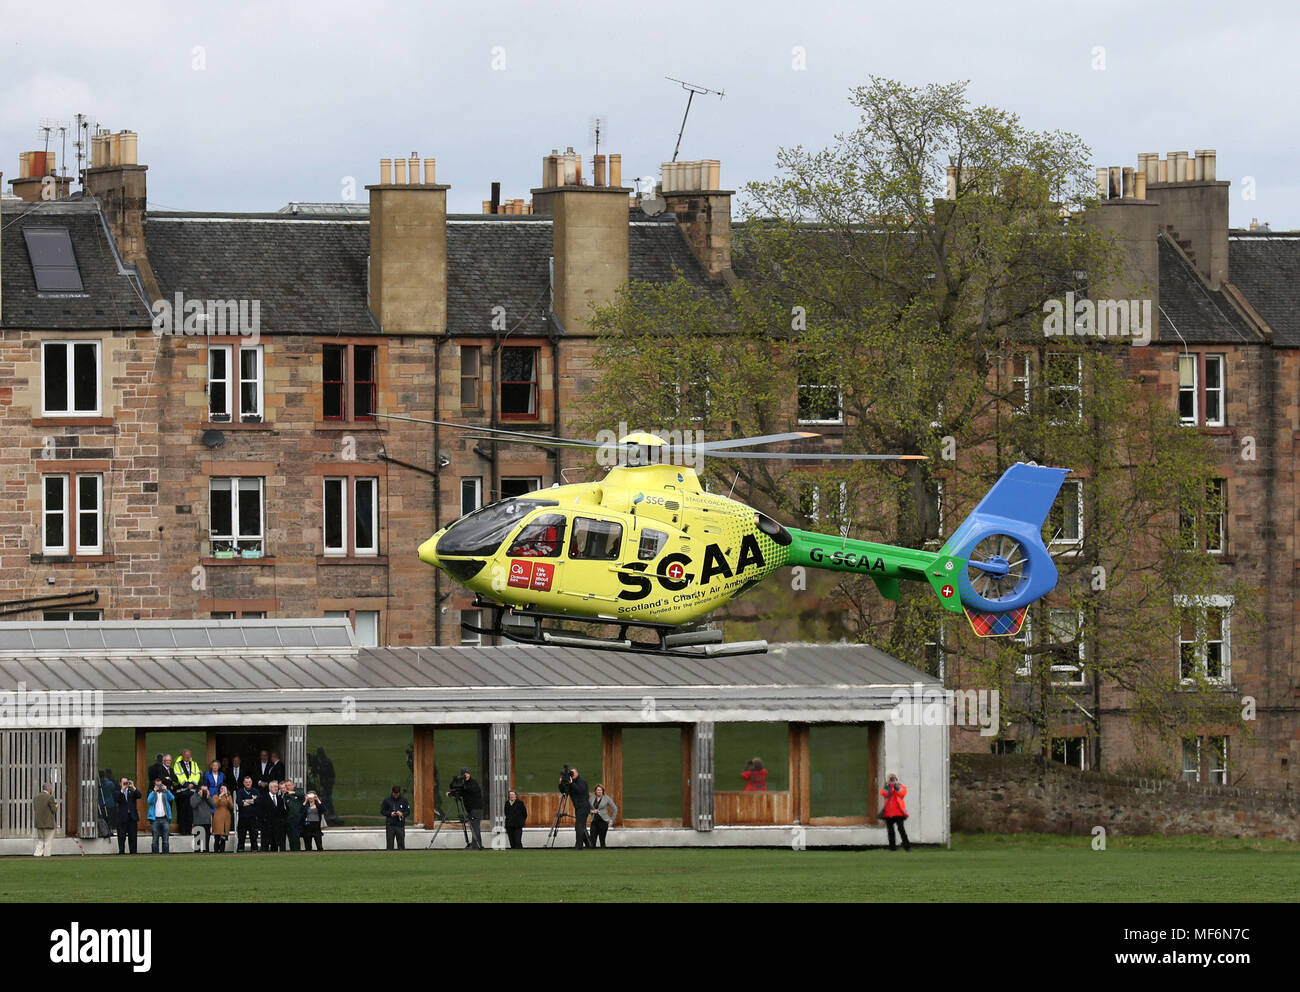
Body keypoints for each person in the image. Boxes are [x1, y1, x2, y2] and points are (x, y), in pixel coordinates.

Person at [449, 767, 484, 849]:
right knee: (473, 827)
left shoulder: (473, 783)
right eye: (464, 774)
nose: (466, 775)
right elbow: (459, 791)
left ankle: (476, 845)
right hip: (471, 809)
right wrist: (452, 792)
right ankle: (475, 844)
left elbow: (467, 789)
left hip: (476, 808)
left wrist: (461, 783)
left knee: (475, 827)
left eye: (467, 774)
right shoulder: (464, 783)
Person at [880, 772, 911, 852]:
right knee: (890, 831)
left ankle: (907, 847)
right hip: (888, 813)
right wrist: (887, 786)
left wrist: (896, 786)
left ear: (896, 779)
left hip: (899, 813)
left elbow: (902, 794)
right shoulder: (886, 788)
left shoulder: (901, 787)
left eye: (893, 778)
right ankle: (892, 848)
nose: (892, 780)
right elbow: (883, 793)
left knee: (901, 829)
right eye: (890, 779)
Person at [173, 749, 201, 837]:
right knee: (182, 812)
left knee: (190, 812)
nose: (188, 757)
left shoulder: (194, 764)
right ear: (183, 755)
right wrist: (186, 784)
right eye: (186, 755)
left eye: (189, 755)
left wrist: (193, 783)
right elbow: (178, 775)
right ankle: (182, 830)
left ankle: (189, 830)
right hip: (182, 792)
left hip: (191, 792)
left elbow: (197, 774)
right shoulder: (177, 764)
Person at [258, 780, 288, 852]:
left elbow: (283, 812)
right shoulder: (263, 798)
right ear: (270, 788)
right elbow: (260, 812)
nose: (276, 788)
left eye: (277, 787)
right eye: (274, 787)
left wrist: (282, 822)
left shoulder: (280, 799)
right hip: (266, 827)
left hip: (277, 828)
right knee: (265, 847)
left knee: (274, 847)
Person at [115, 777, 142, 854]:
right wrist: (122, 790)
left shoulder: (132, 791)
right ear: (120, 784)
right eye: (124, 783)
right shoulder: (117, 792)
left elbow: (139, 795)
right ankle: (121, 852)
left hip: (132, 817)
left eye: (127, 783)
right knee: (121, 836)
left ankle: (133, 852)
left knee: (133, 837)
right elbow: (117, 799)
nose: (125, 784)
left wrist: (133, 787)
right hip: (122, 818)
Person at [565, 767, 590, 849]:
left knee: (579, 826)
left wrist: (571, 783)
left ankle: (579, 846)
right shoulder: (571, 783)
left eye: (573, 773)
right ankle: (588, 843)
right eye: (571, 773)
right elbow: (564, 792)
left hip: (583, 807)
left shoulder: (582, 782)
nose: (572, 775)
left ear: (577, 773)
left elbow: (580, 790)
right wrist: (561, 782)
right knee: (580, 826)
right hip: (578, 807)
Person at [146, 779, 174, 854]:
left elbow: (172, 798)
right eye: (157, 785)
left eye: (160, 785)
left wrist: (167, 790)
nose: (159, 787)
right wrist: (154, 792)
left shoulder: (165, 793)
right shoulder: (152, 793)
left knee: (165, 839)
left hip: (164, 819)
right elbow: (149, 801)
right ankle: (155, 854)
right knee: (155, 839)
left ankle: (165, 854)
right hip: (155, 819)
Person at [235, 775, 260, 852]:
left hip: (253, 818)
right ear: (243, 783)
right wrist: (251, 801)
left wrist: (245, 801)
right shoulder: (240, 792)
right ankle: (240, 851)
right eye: (246, 782)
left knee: (254, 837)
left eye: (249, 782)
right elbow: (239, 802)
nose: (248, 783)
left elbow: (258, 802)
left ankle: (254, 851)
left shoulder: (256, 791)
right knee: (241, 837)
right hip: (242, 818)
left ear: (251, 782)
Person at [381, 786, 410, 850]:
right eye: (394, 794)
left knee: (401, 845)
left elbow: (408, 812)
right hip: (390, 825)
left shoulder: (404, 800)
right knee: (390, 845)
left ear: (399, 793)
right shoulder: (387, 800)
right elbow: (382, 811)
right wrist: (390, 814)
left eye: (397, 794)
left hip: (400, 825)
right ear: (392, 793)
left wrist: (402, 814)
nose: (396, 795)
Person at [32, 784, 58, 857]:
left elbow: (35, 809)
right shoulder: (50, 797)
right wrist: (56, 806)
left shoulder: (36, 798)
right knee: (48, 841)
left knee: (40, 840)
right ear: (49, 789)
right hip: (48, 823)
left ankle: (37, 854)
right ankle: (46, 855)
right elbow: (54, 810)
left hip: (38, 823)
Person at [191, 785, 215, 852]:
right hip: (198, 822)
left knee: (206, 843)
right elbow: (193, 805)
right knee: (197, 843)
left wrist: (208, 798)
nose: (204, 792)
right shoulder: (194, 796)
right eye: (203, 790)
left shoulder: (208, 797)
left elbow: (214, 805)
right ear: (199, 790)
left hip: (207, 822)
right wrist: (200, 797)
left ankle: (206, 856)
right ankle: (196, 857)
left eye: (206, 790)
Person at [283, 779, 305, 851]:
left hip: (298, 820)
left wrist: (293, 792)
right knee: (291, 838)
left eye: (289, 785)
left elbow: (302, 794)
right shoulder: (285, 795)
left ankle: (297, 851)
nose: (287, 787)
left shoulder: (299, 790)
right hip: (290, 820)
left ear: (293, 785)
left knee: (296, 837)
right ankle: (292, 852)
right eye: (286, 786)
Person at [212, 785, 234, 853]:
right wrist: (220, 796)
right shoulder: (216, 796)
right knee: (217, 836)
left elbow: (231, 806)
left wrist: (227, 797)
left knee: (224, 837)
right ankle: (216, 850)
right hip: (218, 818)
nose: (223, 790)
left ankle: (222, 850)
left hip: (226, 819)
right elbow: (214, 804)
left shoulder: (229, 797)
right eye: (221, 789)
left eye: (224, 789)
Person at [97, 769, 116, 838]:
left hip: (103, 804)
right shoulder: (109, 783)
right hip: (107, 804)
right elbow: (113, 786)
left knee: (104, 818)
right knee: (108, 818)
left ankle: (105, 831)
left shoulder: (103, 784)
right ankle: (108, 830)